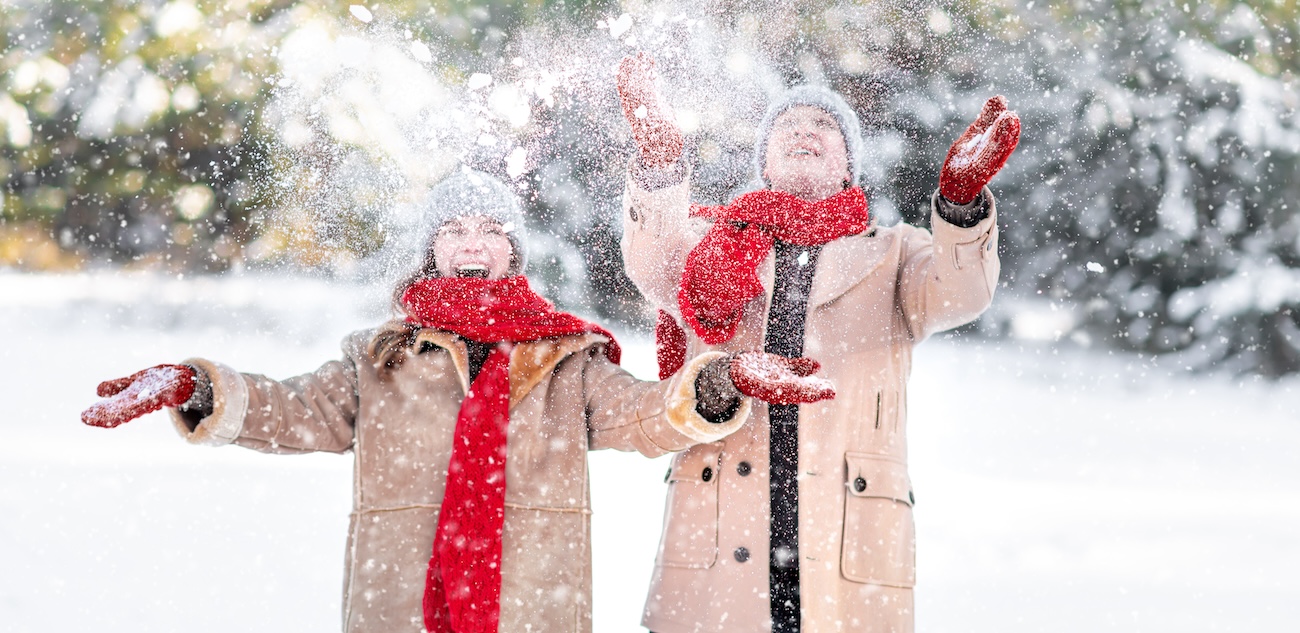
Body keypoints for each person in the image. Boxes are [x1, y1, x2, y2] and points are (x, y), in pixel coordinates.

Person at [79, 168, 836, 633]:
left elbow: (644, 412)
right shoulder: (379, 356)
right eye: (453, 229)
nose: (472, 242)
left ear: (513, 250)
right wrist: (198, 385)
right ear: (432, 249)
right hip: (403, 603)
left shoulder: (566, 358)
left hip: (531, 605)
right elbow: (293, 410)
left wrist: (720, 380)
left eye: (490, 229)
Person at [615, 54, 1021, 632]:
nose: (804, 130)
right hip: (720, 536)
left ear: (849, 164)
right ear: (765, 161)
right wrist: (659, 165)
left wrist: (959, 208)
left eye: (824, 125)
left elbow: (963, 291)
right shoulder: (706, 248)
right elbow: (651, 259)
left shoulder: (896, 254)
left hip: (847, 539)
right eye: (787, 125)